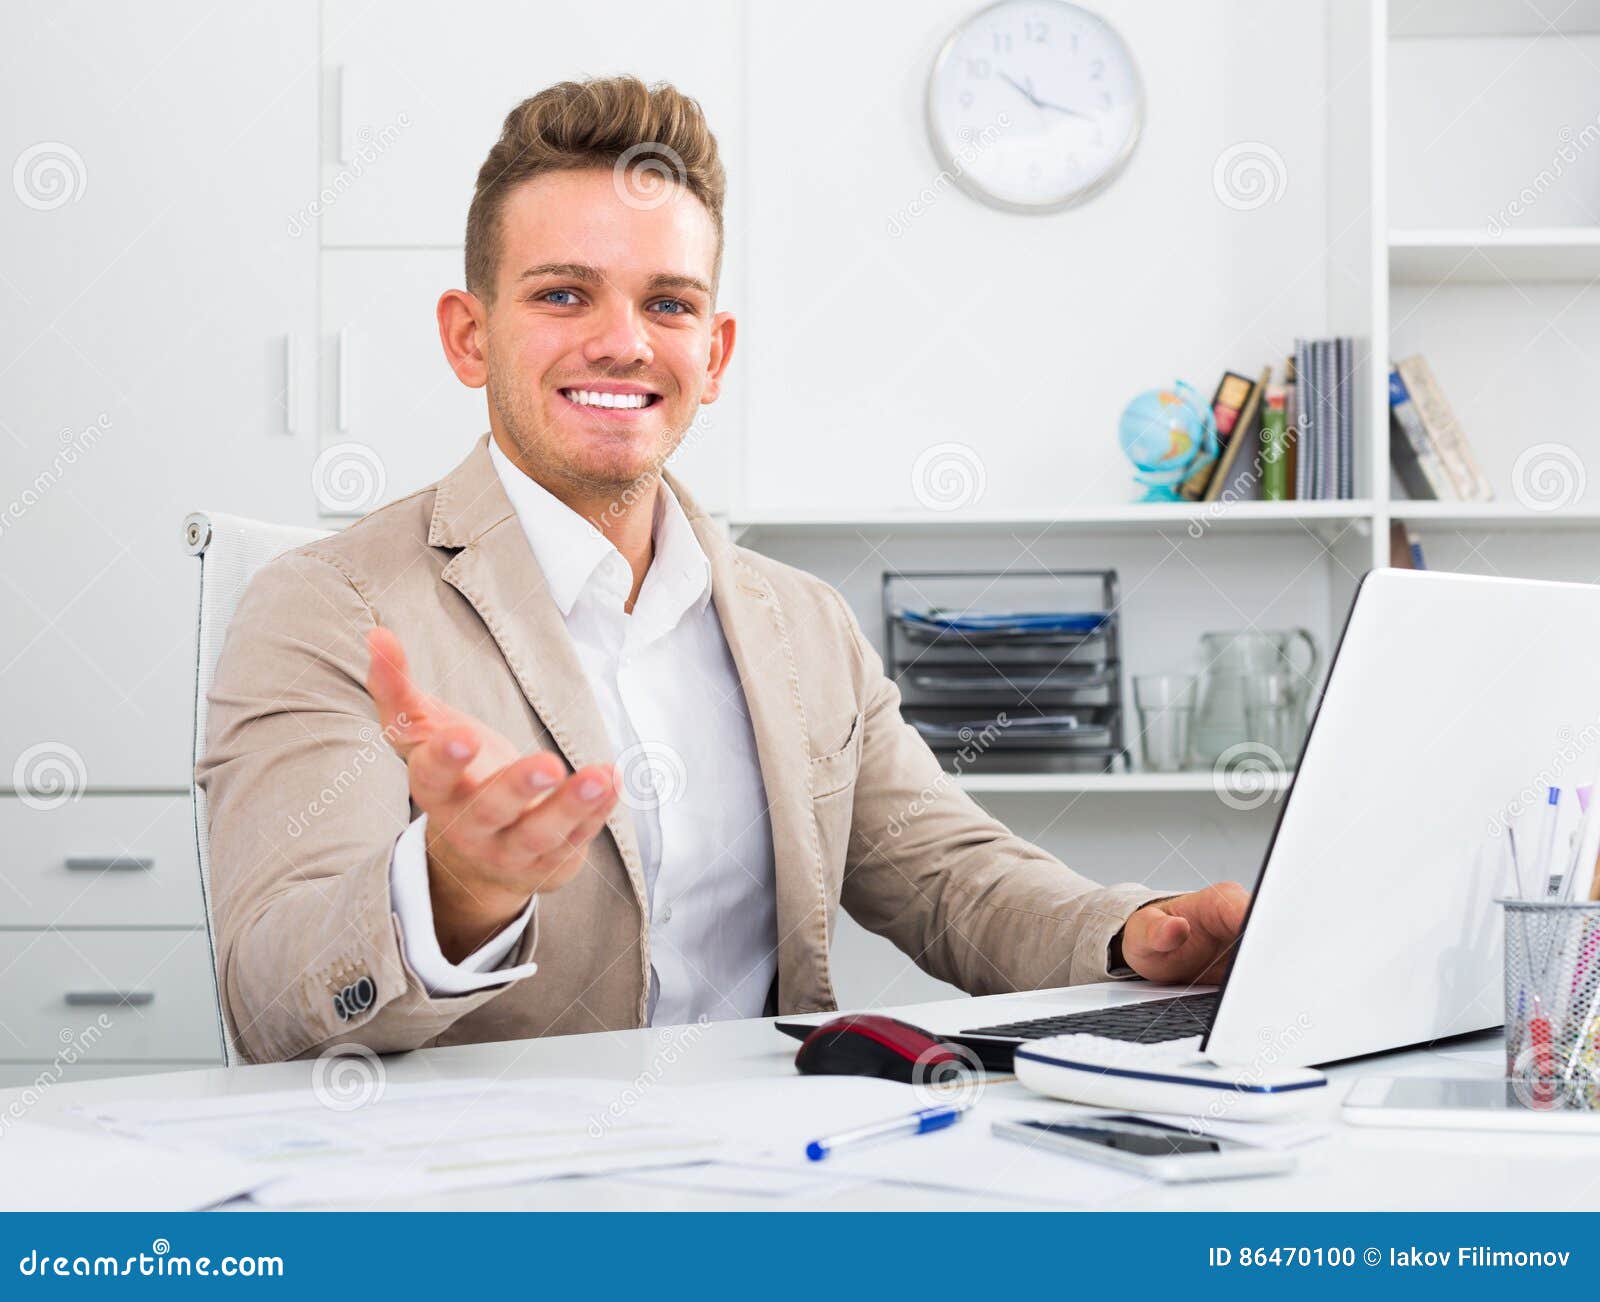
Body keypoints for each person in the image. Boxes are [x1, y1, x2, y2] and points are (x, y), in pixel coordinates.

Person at [197, 75, 1247, 1064]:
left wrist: (1131, 935)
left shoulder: (802, 623)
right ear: (469, 337)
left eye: (667, 304)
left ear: (715, 352)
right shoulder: (327, 606)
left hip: (770, 1180)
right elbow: (270, 997)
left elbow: (946, 878)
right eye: (563, 295)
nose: (621, 343)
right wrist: (451, 889)